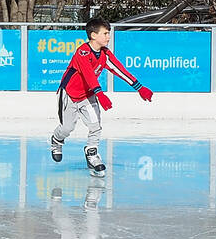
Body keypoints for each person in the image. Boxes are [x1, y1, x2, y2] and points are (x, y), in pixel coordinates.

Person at [50, 18, 154, 174]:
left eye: (109, 33)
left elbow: (120, 70)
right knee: (67, 127)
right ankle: (56, 141)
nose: (108, 36)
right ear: (93, 35)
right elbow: (88, 75)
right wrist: (100, 94)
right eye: (105, 33)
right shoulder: (82, 52)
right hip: (70, 94)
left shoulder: (105, 54)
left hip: (88, 96)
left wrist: (139, 87)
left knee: (95, 126)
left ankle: (92, 153)